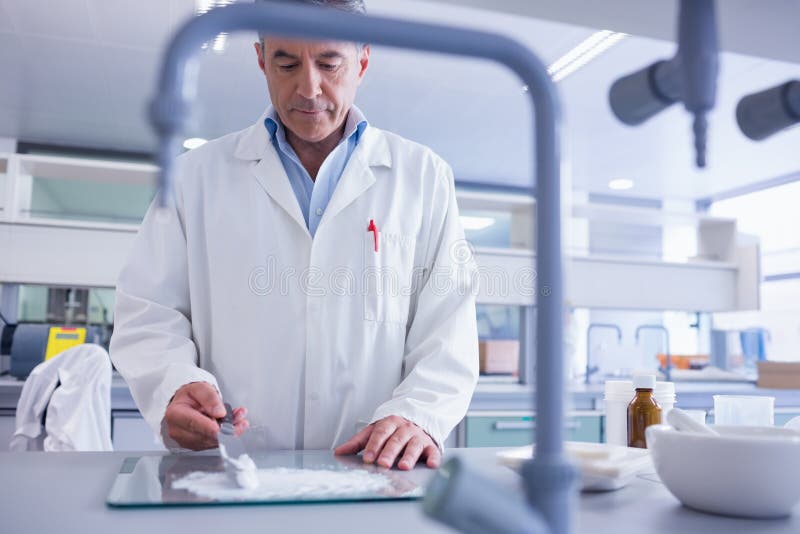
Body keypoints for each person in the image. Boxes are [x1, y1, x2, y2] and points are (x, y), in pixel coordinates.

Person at [110, 0, 478, 471]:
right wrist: (174, 384)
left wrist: (418, 413)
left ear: (362, 60)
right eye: (286, 63)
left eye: (329, 63)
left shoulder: (422, 177)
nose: (309, 87)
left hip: (373, 470)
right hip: (230, 469)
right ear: (261, 59)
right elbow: (148, 310)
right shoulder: (194, 177)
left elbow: (449, 322)